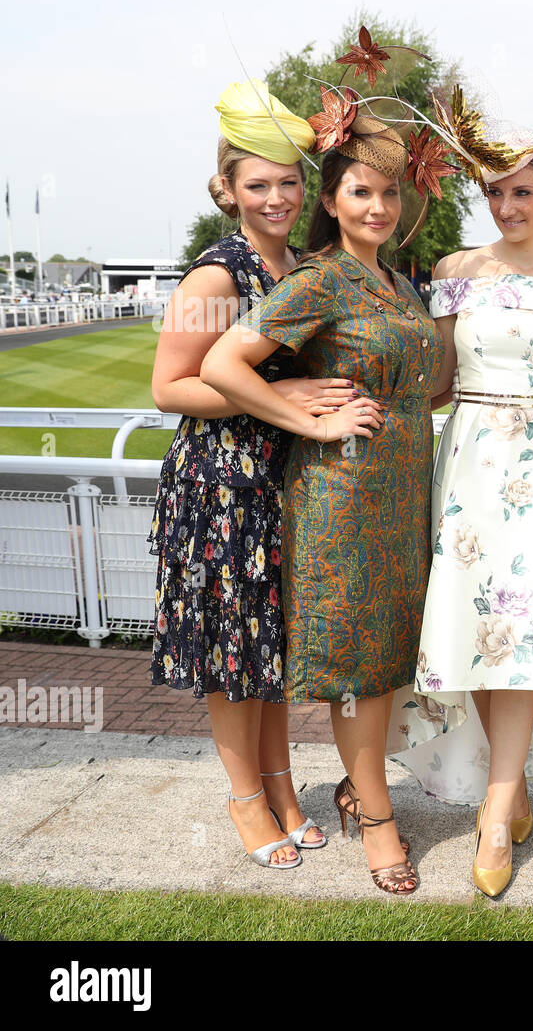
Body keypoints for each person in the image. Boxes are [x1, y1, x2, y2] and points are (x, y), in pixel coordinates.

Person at [201, 92, 450, 894]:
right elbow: (220, 365)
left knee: (392, 655)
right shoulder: (319, 280)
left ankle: (356, 785)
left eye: (387, 193)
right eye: (359, 192)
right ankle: (377, 817)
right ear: (334, 202)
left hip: (405, 489)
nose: (377, 206)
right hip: (343, 495)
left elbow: (429, 386)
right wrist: (303, 420)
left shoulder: (400, 284)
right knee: (359, 664)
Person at [387, 128, 533, 899]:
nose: (507, 205)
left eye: (523, 190)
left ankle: (496, 809)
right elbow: (440, 381)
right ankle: (509, 787)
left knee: (521, 631)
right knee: (477, 630)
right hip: (468, 468)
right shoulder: (457, 271)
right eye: (495, 191)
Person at [149, 80, 348, 870]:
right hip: (219, 489)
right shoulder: (217, 275)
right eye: (257, 184)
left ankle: (282, 786)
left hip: (276, 484)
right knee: (234, 659)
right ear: (227, 189)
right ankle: (244, 800)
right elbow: (168, 387)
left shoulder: (298, 263)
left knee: (267, 651)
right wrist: (279, 397)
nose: (276, 197)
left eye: (288, 182)